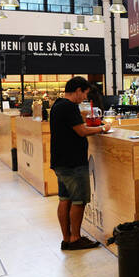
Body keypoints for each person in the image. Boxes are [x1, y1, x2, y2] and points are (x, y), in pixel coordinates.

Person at [50, 77, 111, 250]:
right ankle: (75, 238)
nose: (84, 97)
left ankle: (66, 238)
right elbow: (81, 131)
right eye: (84, 93)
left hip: (60, 161)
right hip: (73, 162)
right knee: (79, 200)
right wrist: (102, 128)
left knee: (64, 199)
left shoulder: (57, 105)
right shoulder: (69, 107)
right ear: (78, 90)